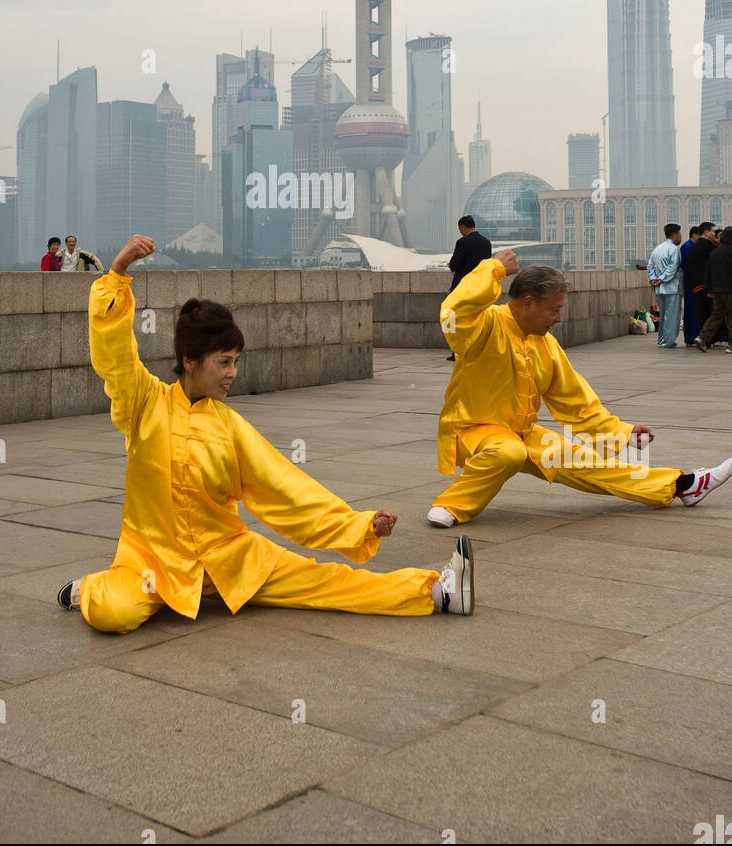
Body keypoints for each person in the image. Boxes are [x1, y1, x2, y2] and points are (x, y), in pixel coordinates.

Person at [57, 233, 476, 629]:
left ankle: (439, 591)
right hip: (151, 560)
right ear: (189, 360)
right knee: (115, 613)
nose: (232, 374)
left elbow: (287, 493)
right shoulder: (144, 404)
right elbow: (115, 355)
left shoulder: (231, 428)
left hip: (230, 559)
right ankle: (92, 588)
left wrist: (359, 525)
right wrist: (116, 275)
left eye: (236, 361)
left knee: (326, 583)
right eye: (223, 362)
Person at [426, 250, 732, 528]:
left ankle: (683, 486)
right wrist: (492, 268)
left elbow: (576, 401)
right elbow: (453, 310)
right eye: (554, 310)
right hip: (472, 431)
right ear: (529, 302)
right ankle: (451, 505)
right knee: (508, 451)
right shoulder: (483, 327)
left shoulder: (545, 343)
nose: (559, 318)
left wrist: (621, 433)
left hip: (521, 434)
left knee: (589, 465)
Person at [445, 216, 492, 361]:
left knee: (455, 318)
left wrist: (451, 264)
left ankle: (457, 351)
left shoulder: (462, 242)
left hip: (462, 288)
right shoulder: (486, 242)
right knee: (477, 319)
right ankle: (478, 350)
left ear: (463, 227)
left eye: (460, 229)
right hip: (479, 286)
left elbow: (455, 265)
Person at [694, 227, 732, 353]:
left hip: (716, 289)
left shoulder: (715, 252)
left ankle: (702, 338)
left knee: (716, 314)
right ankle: (731, 345)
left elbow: (708, 272)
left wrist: (710, 289)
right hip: (729, 289)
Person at [647, 223, 682, 348]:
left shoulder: (657, 249)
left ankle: (662, 339)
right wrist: (662, 279)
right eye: (679, 234)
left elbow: (650, 266)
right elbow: (672, 268)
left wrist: (654, 279)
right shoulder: (674, 249)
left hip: (659, 289)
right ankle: (668, 341)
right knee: (672, 316)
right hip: (672, 288)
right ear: (675, 234)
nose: (680, 237)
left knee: (663, 315)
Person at [680, 225, 700, 346]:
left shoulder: (691, 246)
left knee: (694, 311)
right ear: (694, 235)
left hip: (691, 282)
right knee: (690, 311)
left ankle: (693, 336)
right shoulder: (687, 247)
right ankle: (690, 337)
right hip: (689, 283)